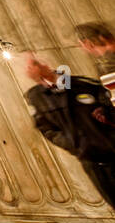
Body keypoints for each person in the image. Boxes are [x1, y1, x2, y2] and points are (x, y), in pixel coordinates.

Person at [23, 53, 115, 208]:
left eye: (32, 64)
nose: (29, 70)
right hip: (90, 160)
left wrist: (107, 117)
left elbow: (111, 110)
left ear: (45, 65)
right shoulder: (36, 97)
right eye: (28, 67)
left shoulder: (86, 85)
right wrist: (74, 145)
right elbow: (47, 129)